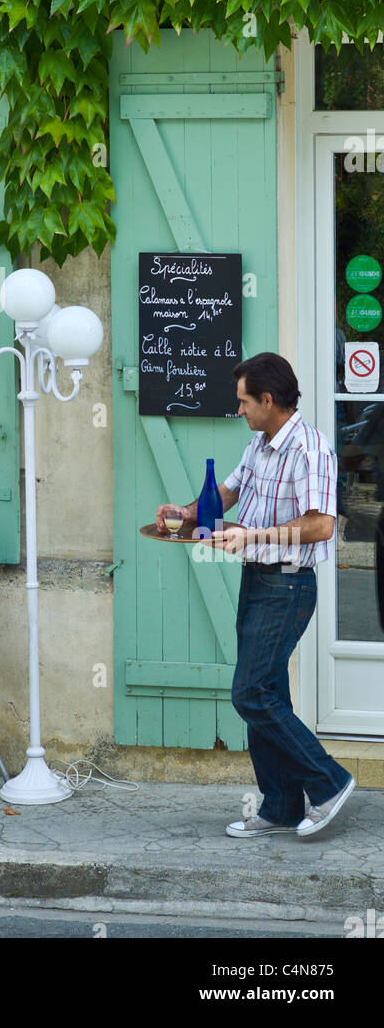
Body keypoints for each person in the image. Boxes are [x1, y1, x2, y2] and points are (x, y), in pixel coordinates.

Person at [156, 352, 355, 840]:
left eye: (244, 402)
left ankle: (329, 782)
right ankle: (282, 805)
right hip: (258, 580)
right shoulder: (260, 445)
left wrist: (255, 535)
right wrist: (184, 512)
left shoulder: (311, 449)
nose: (239, 410)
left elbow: (320, 524)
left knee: (250, 693)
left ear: (268, 400)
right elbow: (225, 494)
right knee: (268, 691)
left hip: (288, 584)